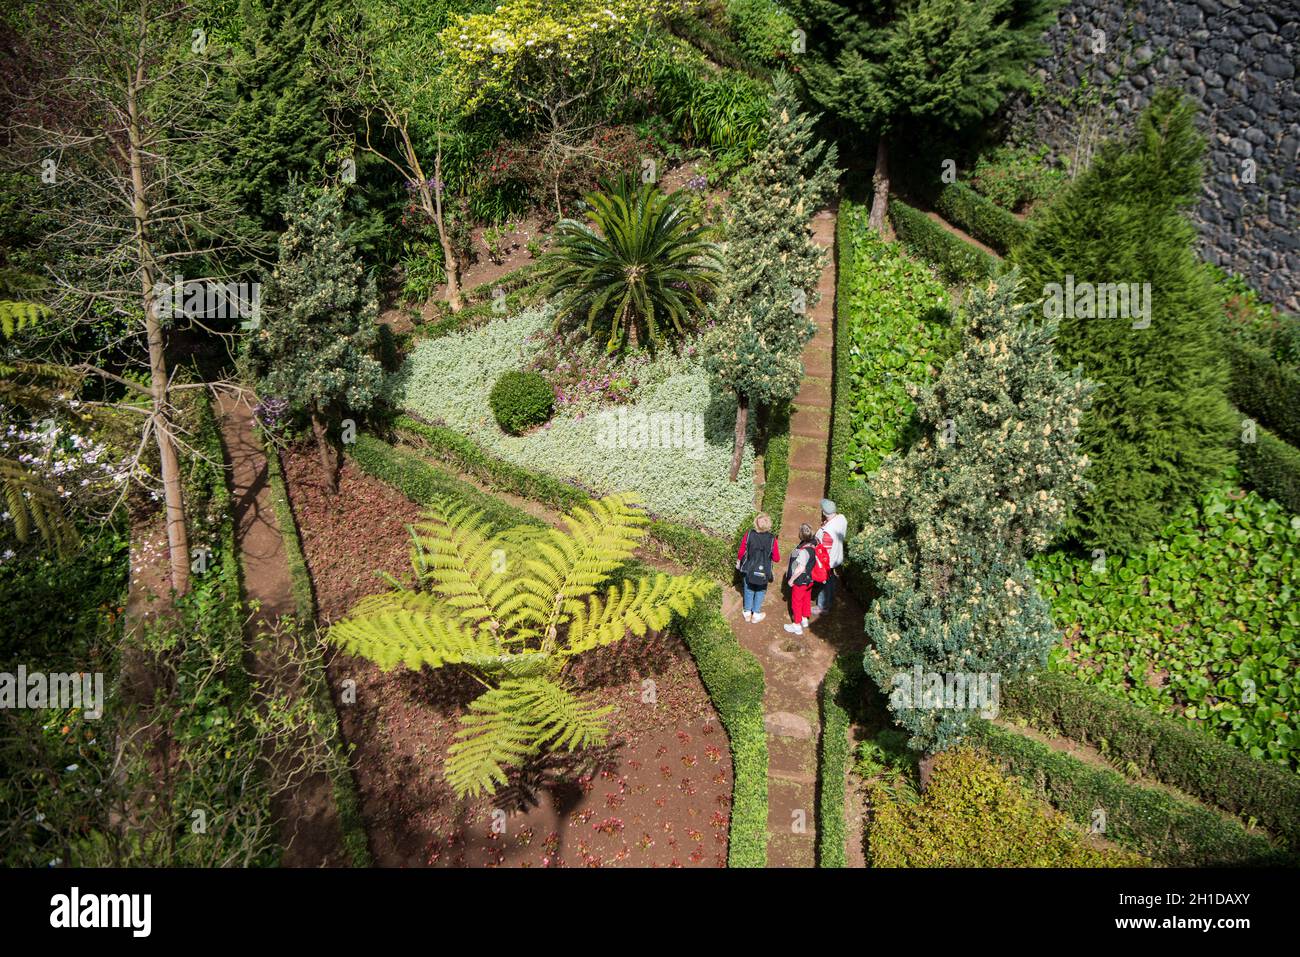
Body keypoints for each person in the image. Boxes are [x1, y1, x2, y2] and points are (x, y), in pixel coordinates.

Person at [737, 513, 779, 623]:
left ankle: (747, 612)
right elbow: (776, 558)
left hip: (748, 567)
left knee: (748, 588)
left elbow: (742, 551)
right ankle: (756, 614)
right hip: (764, 569)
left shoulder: (749, 534)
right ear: (769, 525)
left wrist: (738, 561)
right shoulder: (772, 539)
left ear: (756, 524)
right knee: (760, 590)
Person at [812, 498, 848, 616]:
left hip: (828, 561)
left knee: (824, 582)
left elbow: (824, 551)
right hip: (837, 556)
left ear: (824, 513)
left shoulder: (827, 531)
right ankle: (830, 600)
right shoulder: (841, 518)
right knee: (831, 579)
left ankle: (823, 607)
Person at [783, 523, 817, 635]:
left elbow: (800, 568)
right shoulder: (814, 543)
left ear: (801, 535)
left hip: (801, 580)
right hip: (810, 579)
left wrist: (791, 580)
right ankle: (804, 619)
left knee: (796, 602)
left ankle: (796, 626)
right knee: (806, 598)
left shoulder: (804, 551)